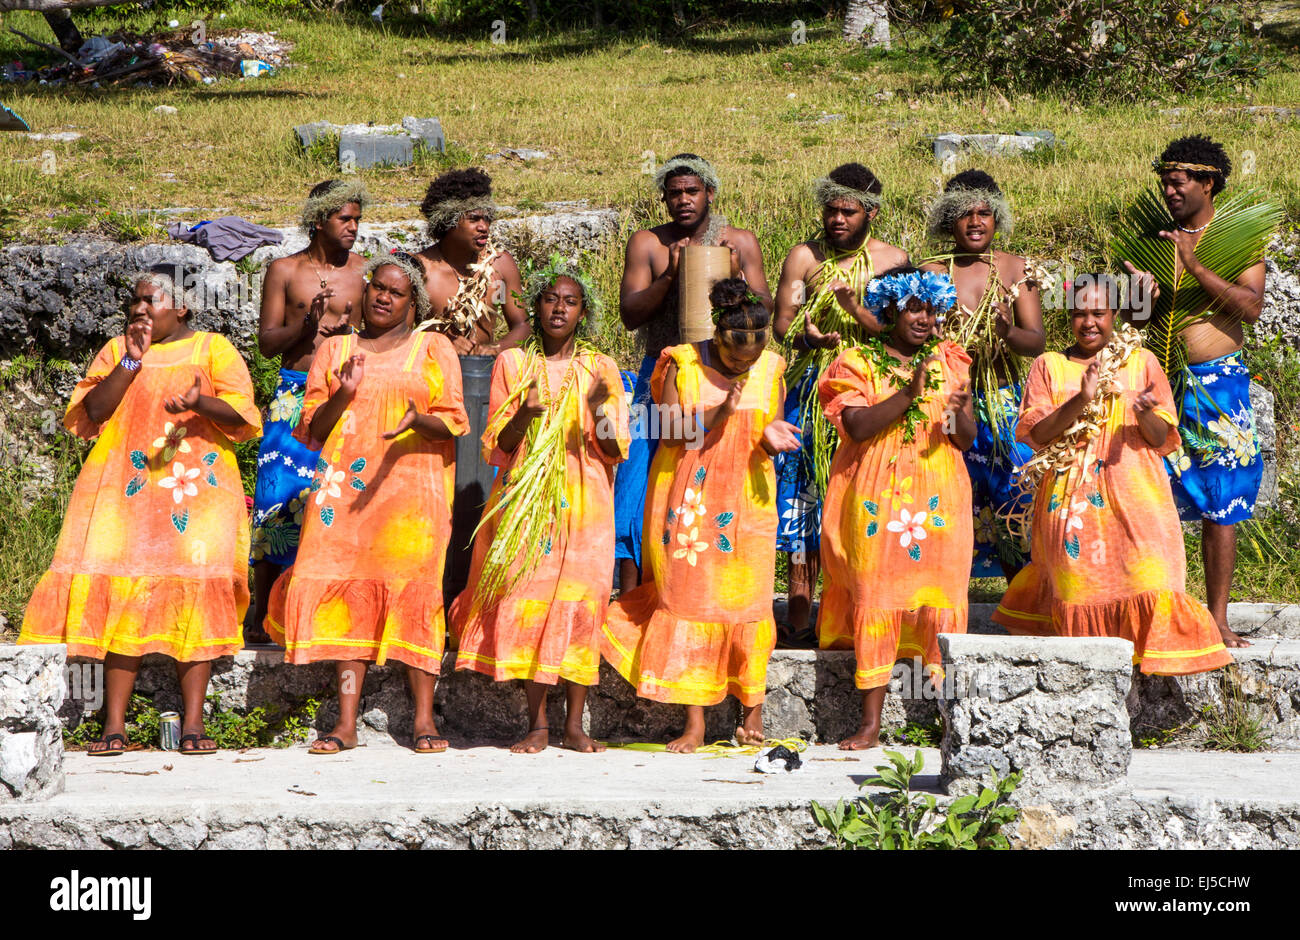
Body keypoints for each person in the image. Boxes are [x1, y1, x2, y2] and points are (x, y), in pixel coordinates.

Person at [20, 270, 262, 756]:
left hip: (197, 492)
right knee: (120, 590)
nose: (140, 308)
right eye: (135, 301)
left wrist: (202, 403)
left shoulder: (213, 350)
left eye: (152, 300)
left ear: (183, 308)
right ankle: (114, 725)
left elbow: (244, 417)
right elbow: (91, 414)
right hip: (124, 494)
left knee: (195, 592)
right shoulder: (118, 351)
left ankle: (193, 725)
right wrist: (132, 359)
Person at [267, 254, 468, 755]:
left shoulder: (434, 348)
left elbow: (456, 422)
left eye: (395, 292)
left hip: (412, 498)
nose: (383, 296)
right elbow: (312, 429)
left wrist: (420, 420)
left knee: (417, 595)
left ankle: (424, 720)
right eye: (377, 287)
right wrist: (344, 394)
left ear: (413, 302)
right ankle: (346, 723)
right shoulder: (334, 350)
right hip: (345, 496)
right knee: (347, 600)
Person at [993, 275, 1231, 676]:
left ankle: (1148, 672)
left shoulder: (1142, 362)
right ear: (1068, 318)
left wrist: (1141, 412)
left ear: (1115, 315)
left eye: (1098, 313)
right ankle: (1086, 683)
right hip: (1072, 504)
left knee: (1154, 576)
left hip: (1138, 499)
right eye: (1079, 313)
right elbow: (1037, 434)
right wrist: (1082, 400)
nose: (1089, 322)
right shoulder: (1048, 366)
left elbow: (1162, 439)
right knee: (1079, 588)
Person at [602, 279, 799, 753]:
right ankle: (695, 722)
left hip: (748, 501)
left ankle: (753, 712)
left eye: (751, 359)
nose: (744, 366)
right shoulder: (682, 363)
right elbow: (668, 431)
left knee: (750, 603)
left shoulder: (771, 367)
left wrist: (770, 434)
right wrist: (716, 415)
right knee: (690, 600)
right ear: (717, 335)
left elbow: (763, 422)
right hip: (689, 498)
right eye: (735, 359)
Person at [450, 258, 629, 753]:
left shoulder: (601, 368)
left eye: (570, 302)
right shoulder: (514, 364)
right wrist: (525, 414)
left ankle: (574, 725)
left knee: (579, 603)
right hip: (528, 504)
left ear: (582, 312)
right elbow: (498, 447)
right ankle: (537, 723)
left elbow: (614, 450)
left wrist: (597, 409)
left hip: (585, 505)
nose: (559, 309)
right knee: (530, 600)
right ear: (536, 306)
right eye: (551, 299)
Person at [1118, 136, 1281, 649]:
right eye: (1164, 181)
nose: (1168, 190)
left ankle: (1216, 618)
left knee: (1221, 500)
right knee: (1147, 494)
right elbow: (1129, 321)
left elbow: (1251, 309)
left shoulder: (1239, 239)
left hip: (1218, 384)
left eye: (1178, 181)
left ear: (1207, 183)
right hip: (1157, 383)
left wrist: (1194, 266)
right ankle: (1153, 612)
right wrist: (1138, 300)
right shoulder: (1151, 239)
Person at [817, 267, 974, 750]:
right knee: (877, 596)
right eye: (913, 308)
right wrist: (908, 393)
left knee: (942, 598)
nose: (925, 318)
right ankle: (871, 724)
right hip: (876, 499)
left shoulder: (950, 361)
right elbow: (858, 427)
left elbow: (964, 439)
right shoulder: (857, 361)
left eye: (931, 309)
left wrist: (959, 410)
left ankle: (953, 721)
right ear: (889, 309)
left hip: (940, 495)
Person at [614, 153, 772, 594]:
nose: (683, 200)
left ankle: (705, 583)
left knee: (715, 476)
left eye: (692, 191)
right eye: (674, 192)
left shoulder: (738, 240)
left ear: (710, 194)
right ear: (664, 198)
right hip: (659, 375)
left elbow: (766, 311)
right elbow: (629, 314)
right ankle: (632, 595)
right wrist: (670, 277)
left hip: (719, 374)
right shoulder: (648, 243)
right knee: (639, 477)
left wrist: (737, 275)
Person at [772, 162, 908, 646]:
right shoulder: (802, 259)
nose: (836, 220)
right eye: (830, 211)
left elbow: (897, 329)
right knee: (800, 497)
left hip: (868, 389)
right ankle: (799, 610)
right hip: (812, 387)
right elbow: (782, 323)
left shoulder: (894, 259)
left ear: (870, 211)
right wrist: (806, 339)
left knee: (860, 492)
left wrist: (856, 313)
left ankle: (853, 606)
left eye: (847, 212)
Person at [246, 179, 368, 646]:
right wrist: (306, 325)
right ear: (319, 219)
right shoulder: (284, 269)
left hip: (343, 392)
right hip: (293, 390)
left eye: (357, 218)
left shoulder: (365, 272)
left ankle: (327, 609)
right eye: (344, 218)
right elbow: (265, 343)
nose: (353, 228)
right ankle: (262, 613)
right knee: (278, 498)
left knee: (333, 497)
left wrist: (347, 334)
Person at [920, 170, 1045, 582]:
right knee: (949, 494)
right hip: (949, 402)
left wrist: (1007, 332)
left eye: (984, 213)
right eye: (964, 214)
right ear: (946, 220)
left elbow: (1036, 341)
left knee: (1014, 498)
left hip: (1004, 400)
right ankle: (945, 599)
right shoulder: (931, 271)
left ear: (998, 219)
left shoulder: (1015, 268)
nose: (975, 222)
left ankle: (1022, 600)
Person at [412, 167, 529, 355]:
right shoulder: (421, 269)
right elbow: (398, 336)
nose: (484, 227)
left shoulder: (500, 264)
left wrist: (496, 348)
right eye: (474, 219)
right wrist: (442, 346)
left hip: (482, 372)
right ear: (448, 221)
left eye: (487, 218)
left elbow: (522, 325)